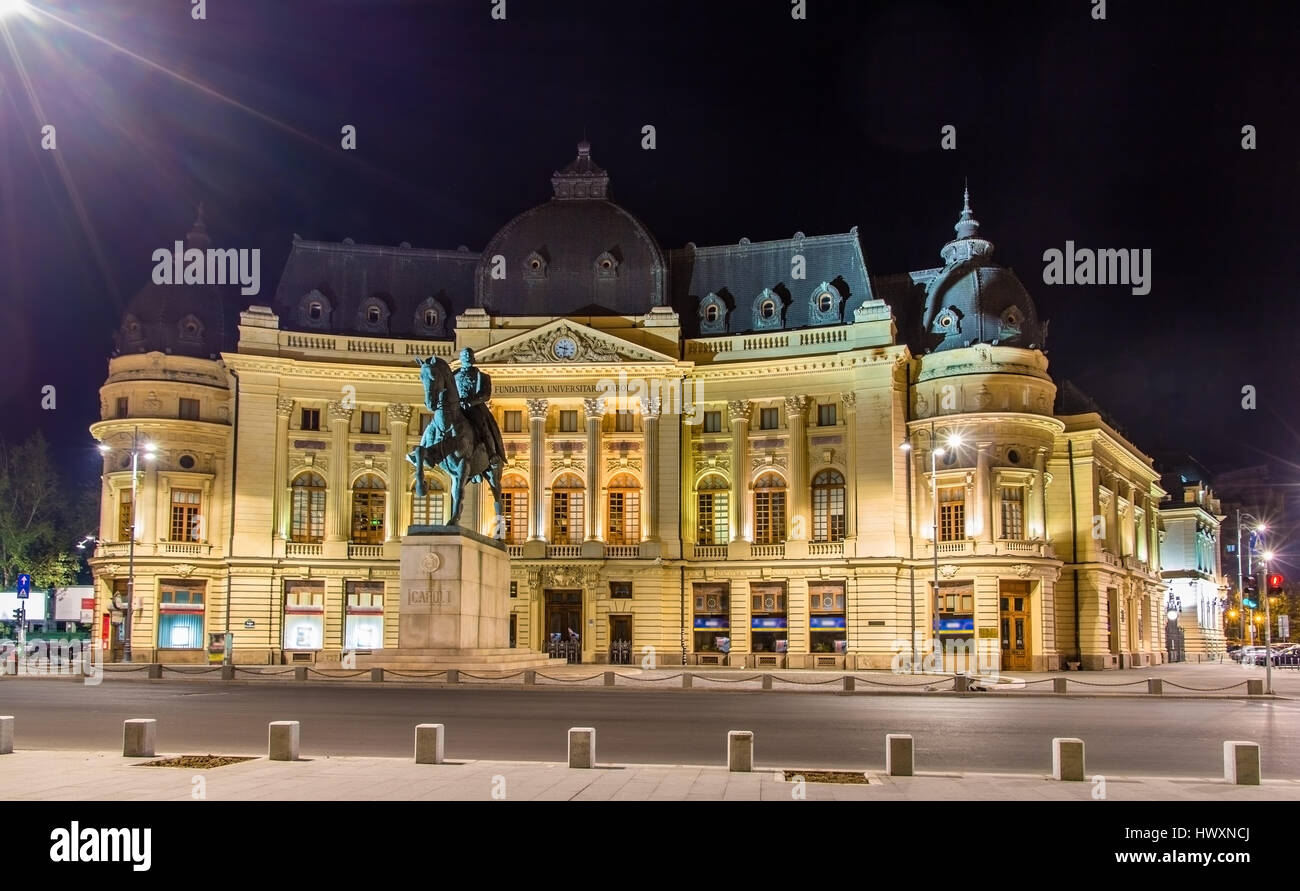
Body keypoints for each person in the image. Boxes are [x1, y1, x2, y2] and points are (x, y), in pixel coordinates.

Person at [454, 348, 506, 463]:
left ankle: (491, 455)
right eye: (465, 355)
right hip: (456, 408)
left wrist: (470, 402)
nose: (467, 357)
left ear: (473, 359)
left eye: (469, 355)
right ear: (460, 358)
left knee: (483, 427)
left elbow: (485, 395)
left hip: (473, 408)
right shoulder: (453, 376)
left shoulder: (482, 376)